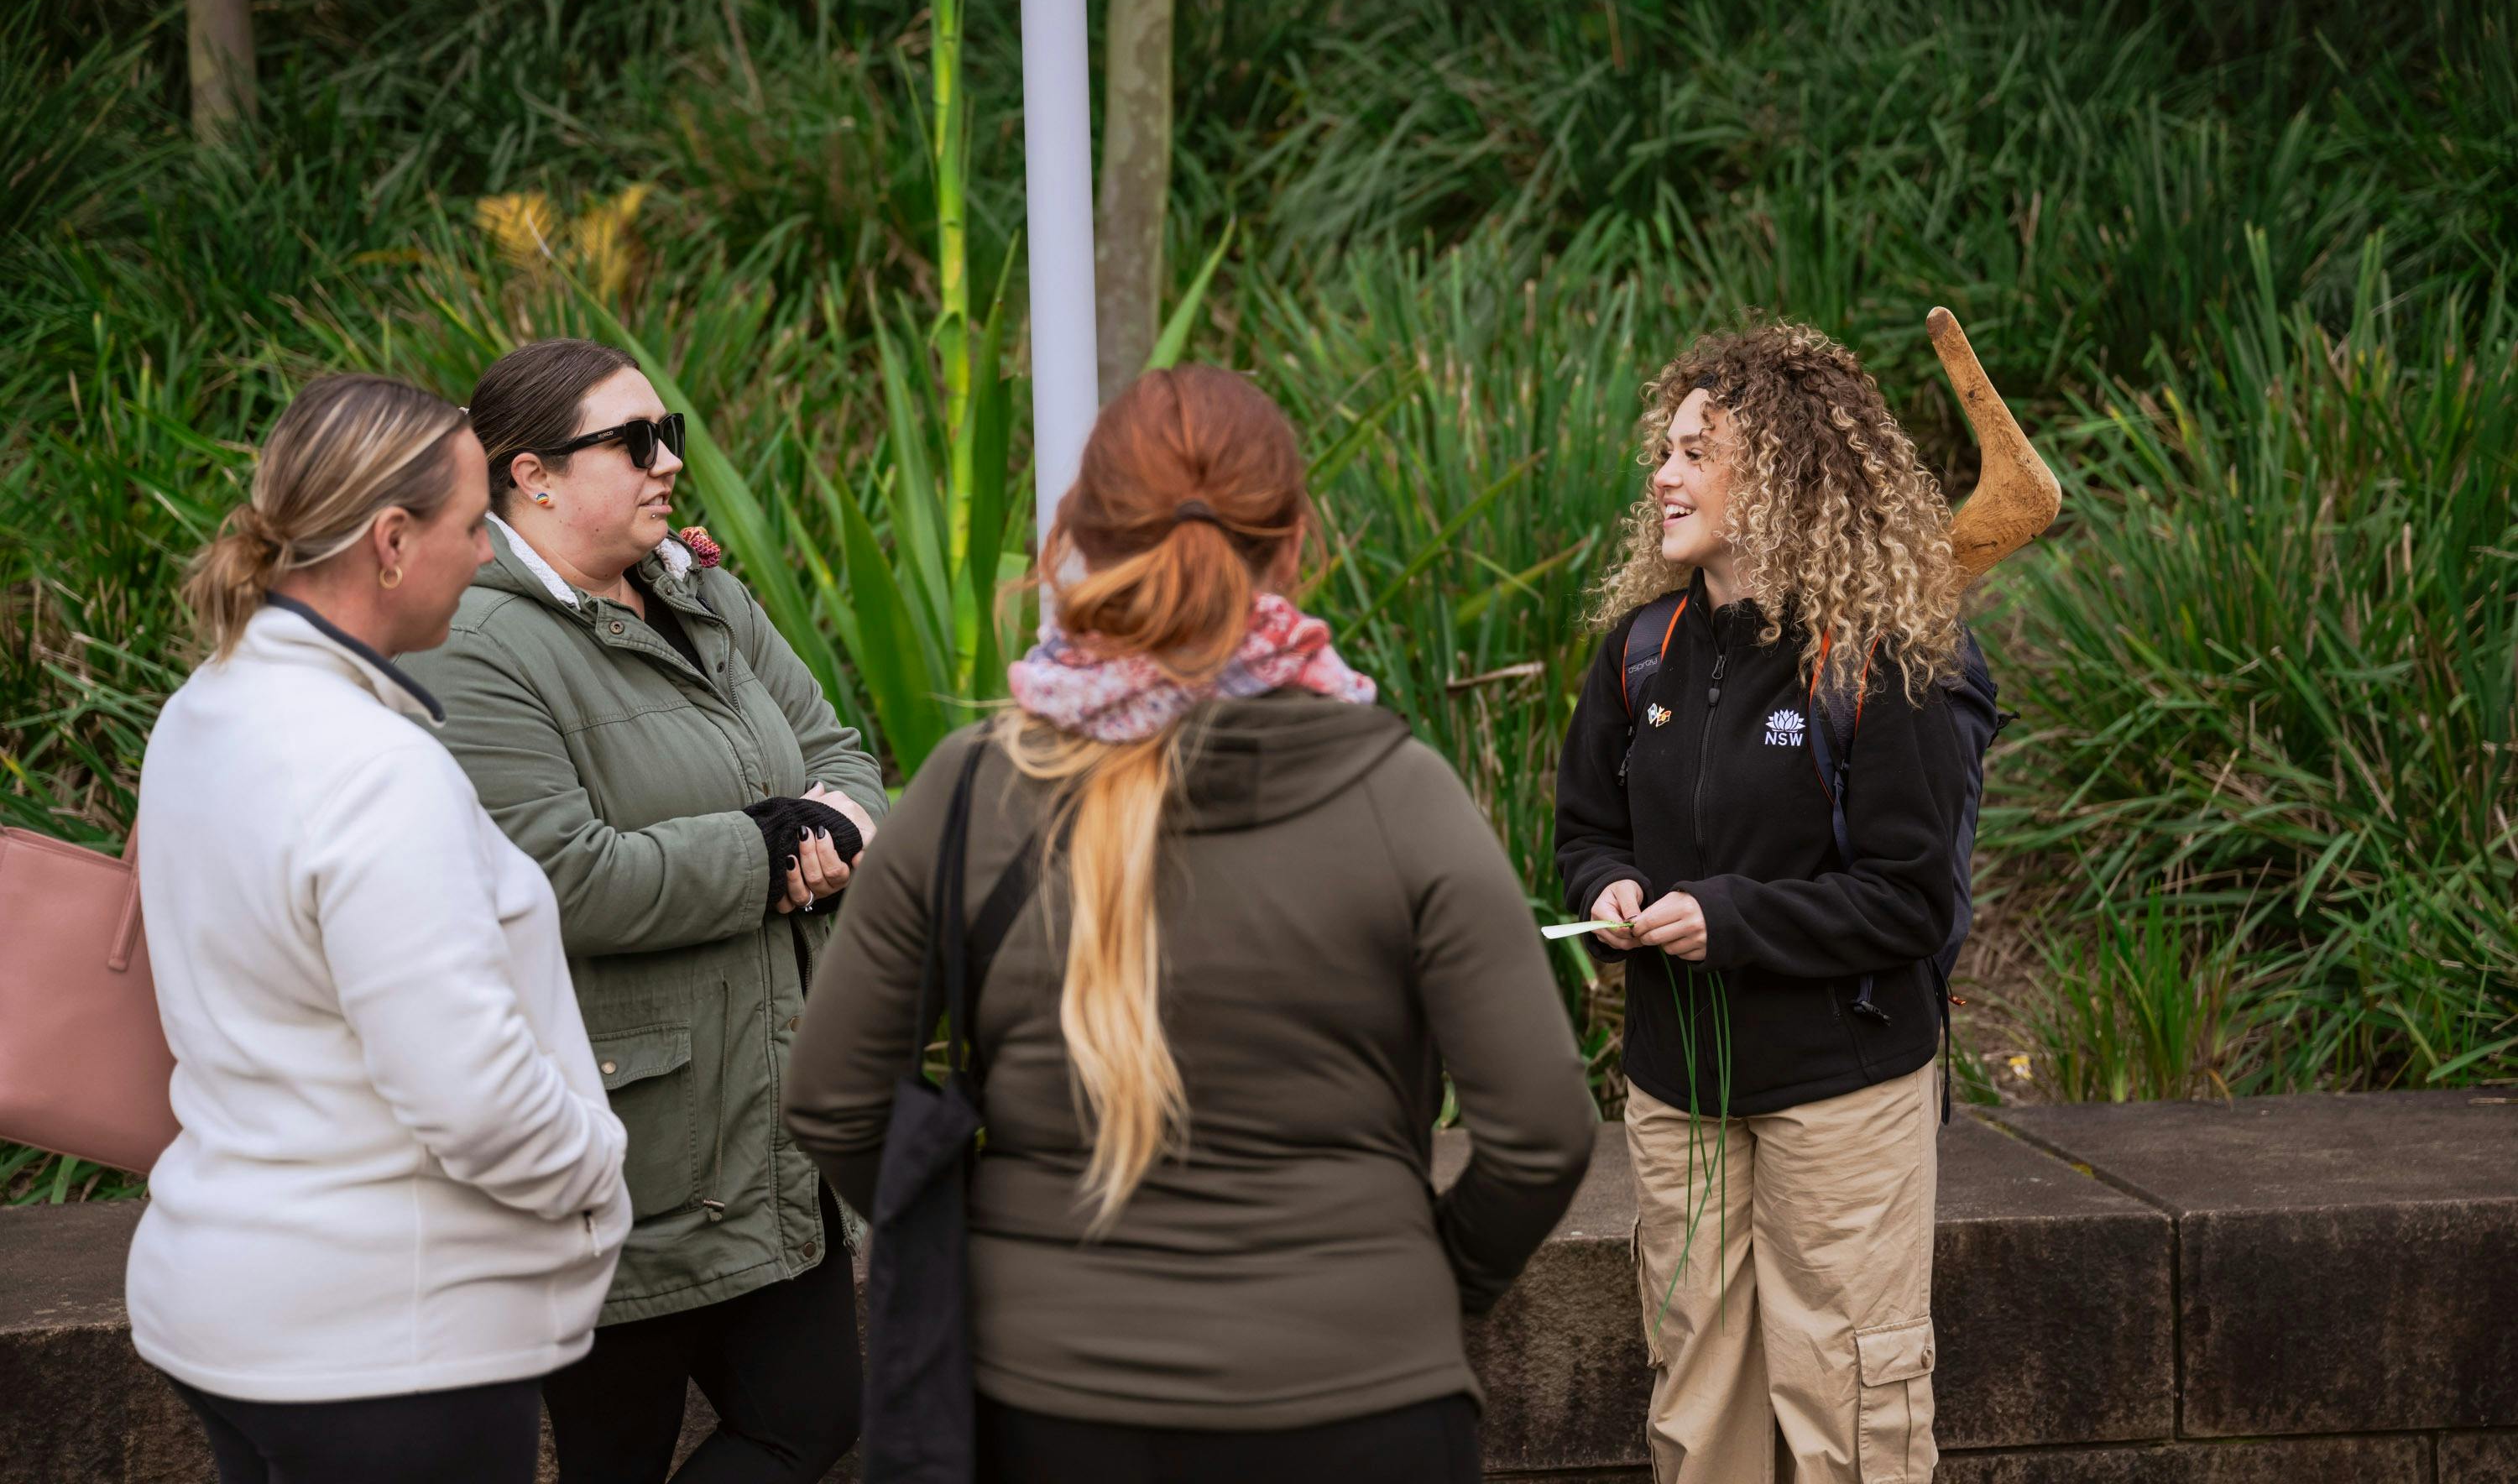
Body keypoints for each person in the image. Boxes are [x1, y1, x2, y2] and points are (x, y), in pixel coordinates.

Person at [782, 365, 1597, 1484]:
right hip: (1364, 1401)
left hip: (1047, 1402)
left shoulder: (972, 790)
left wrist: (996, 1252)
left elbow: (831, 1096)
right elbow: (1544, 1132)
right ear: (1295, 543)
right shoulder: (1402, 796)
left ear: (1078, 534)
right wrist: (1418, 1284)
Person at [400, 338, 888, 1484]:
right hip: (625, 1141)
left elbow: (842, 755)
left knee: (814, 1417)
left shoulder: (700, 590)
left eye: (669, 434)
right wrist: (773, 848)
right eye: (635, 441)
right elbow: (559, 877)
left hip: (768, 1117)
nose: (669, 461)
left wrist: (838, 826)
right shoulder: (476, 641)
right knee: (616, 1455)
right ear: (535, 476)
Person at [130, 376, 631, 1484]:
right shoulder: (375, 771)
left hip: (226, 1305)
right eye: (474, 526)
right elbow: (472, 1096)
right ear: (393, 542)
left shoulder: (205, 707)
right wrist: (597, 1162)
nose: (489, 556)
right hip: (383, 1349)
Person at [1554, 323, 1972, 1484]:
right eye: (1667, 450)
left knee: (1851, 1416)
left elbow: (1910, 901)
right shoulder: (1641, 654)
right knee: (1696, 1412)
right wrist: (1609, 886)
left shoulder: (1875, 664)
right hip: (1677, 1090)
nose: (1665, 474)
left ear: (1784, 475)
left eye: (1699, 453)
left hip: (1841, 1099)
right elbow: (1585, 831)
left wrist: (1730, 920)